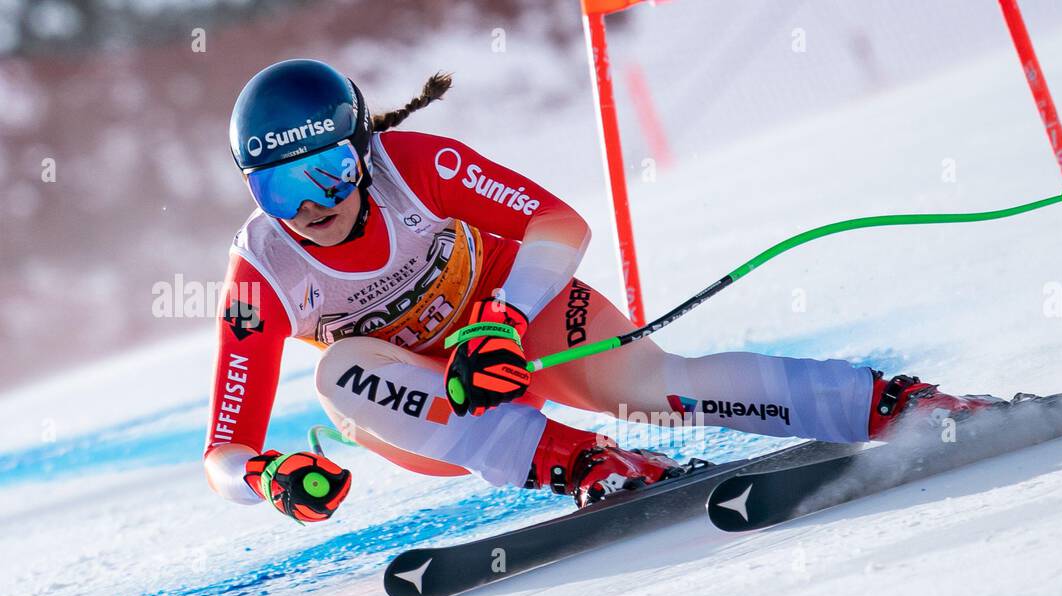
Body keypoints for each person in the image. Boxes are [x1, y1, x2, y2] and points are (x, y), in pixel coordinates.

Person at [205, 58, 997, 523]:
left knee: (655, 387)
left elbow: (560, 225)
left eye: (332, 171)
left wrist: (502, 320)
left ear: (362, 150)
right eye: (280, 191)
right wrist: (268, 479)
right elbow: (224, 453)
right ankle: (577, 462)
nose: (315, 206)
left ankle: (890, 405)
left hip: (518, 331)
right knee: (337, 375)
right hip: (435, 417)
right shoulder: (265, 272)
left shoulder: (416, 166)